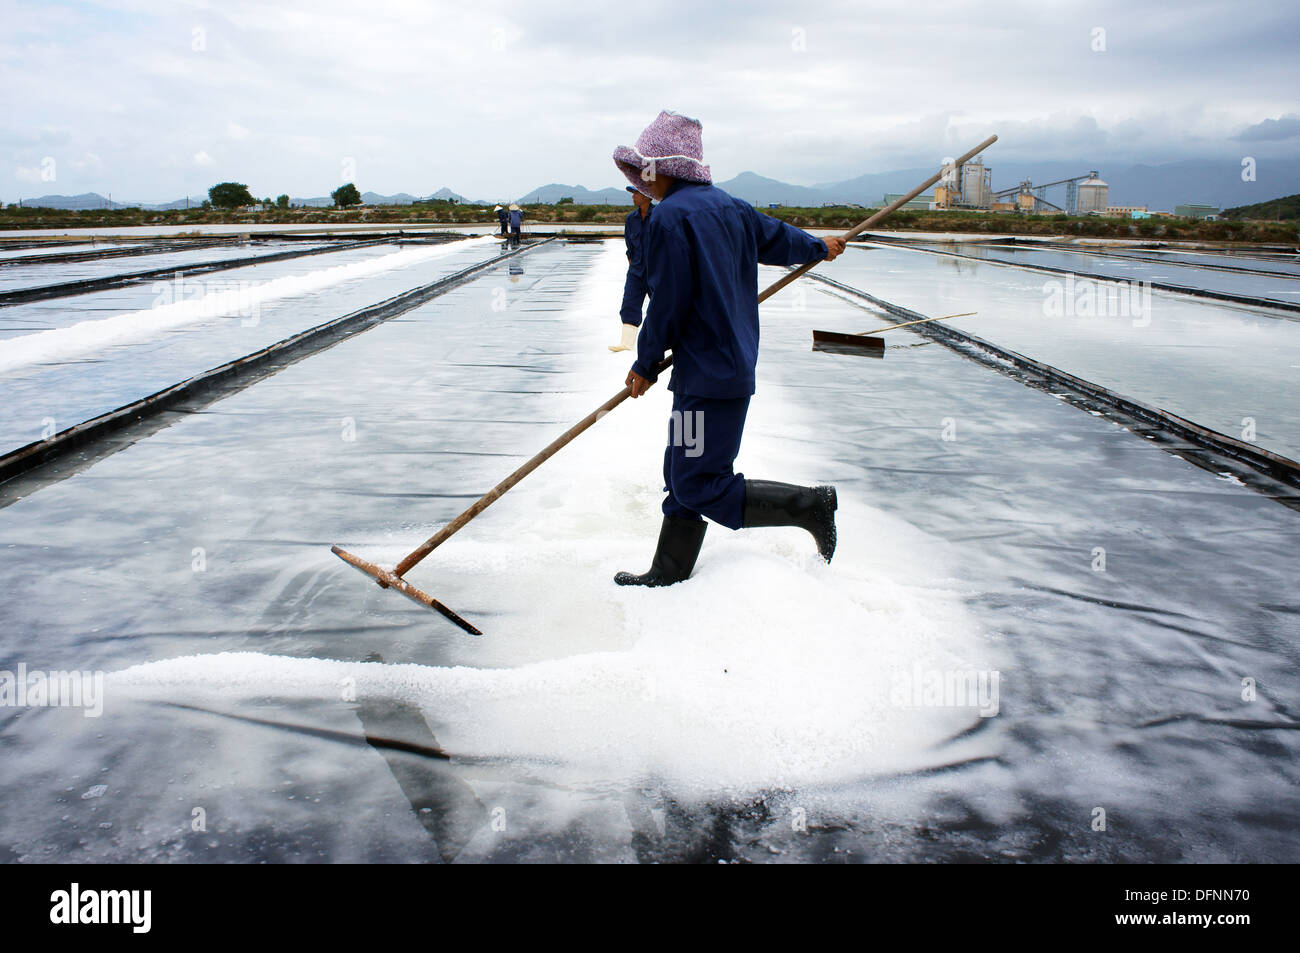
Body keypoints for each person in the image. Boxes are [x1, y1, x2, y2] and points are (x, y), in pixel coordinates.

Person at [610, 110, 846, 588]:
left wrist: (645, 364)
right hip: (716, 371)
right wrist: (819, 246)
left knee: (698, 480)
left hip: (708, 379)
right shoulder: (730, 207)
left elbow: (669, 305)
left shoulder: (670, 220)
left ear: (665, 169)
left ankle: (809, 505)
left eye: (646, 171)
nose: (642, 181)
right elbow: (780, 239)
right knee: (681, 470)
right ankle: (666, 572)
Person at [610, 186, 653, 352]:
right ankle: (626, 343)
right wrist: (633, 264)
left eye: (636, 193)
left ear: (647, 196)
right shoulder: (631, 219)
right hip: (636, 270)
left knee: (659, 307)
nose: (633, 197)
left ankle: (663, 344)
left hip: (655, 271)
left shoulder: (659, 216)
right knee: (629, 304)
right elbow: (629, 246)